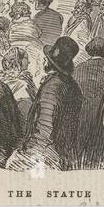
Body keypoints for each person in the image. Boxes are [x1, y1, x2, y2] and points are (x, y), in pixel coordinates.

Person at [13, 37, 82, 170]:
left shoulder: (51, 88)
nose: (44, 59)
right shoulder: (72, 85)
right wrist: (35, 93)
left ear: (51, 63)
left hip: (47, 155)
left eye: (47, 58)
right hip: (66, 153)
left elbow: (45, 129)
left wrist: (29, 154)